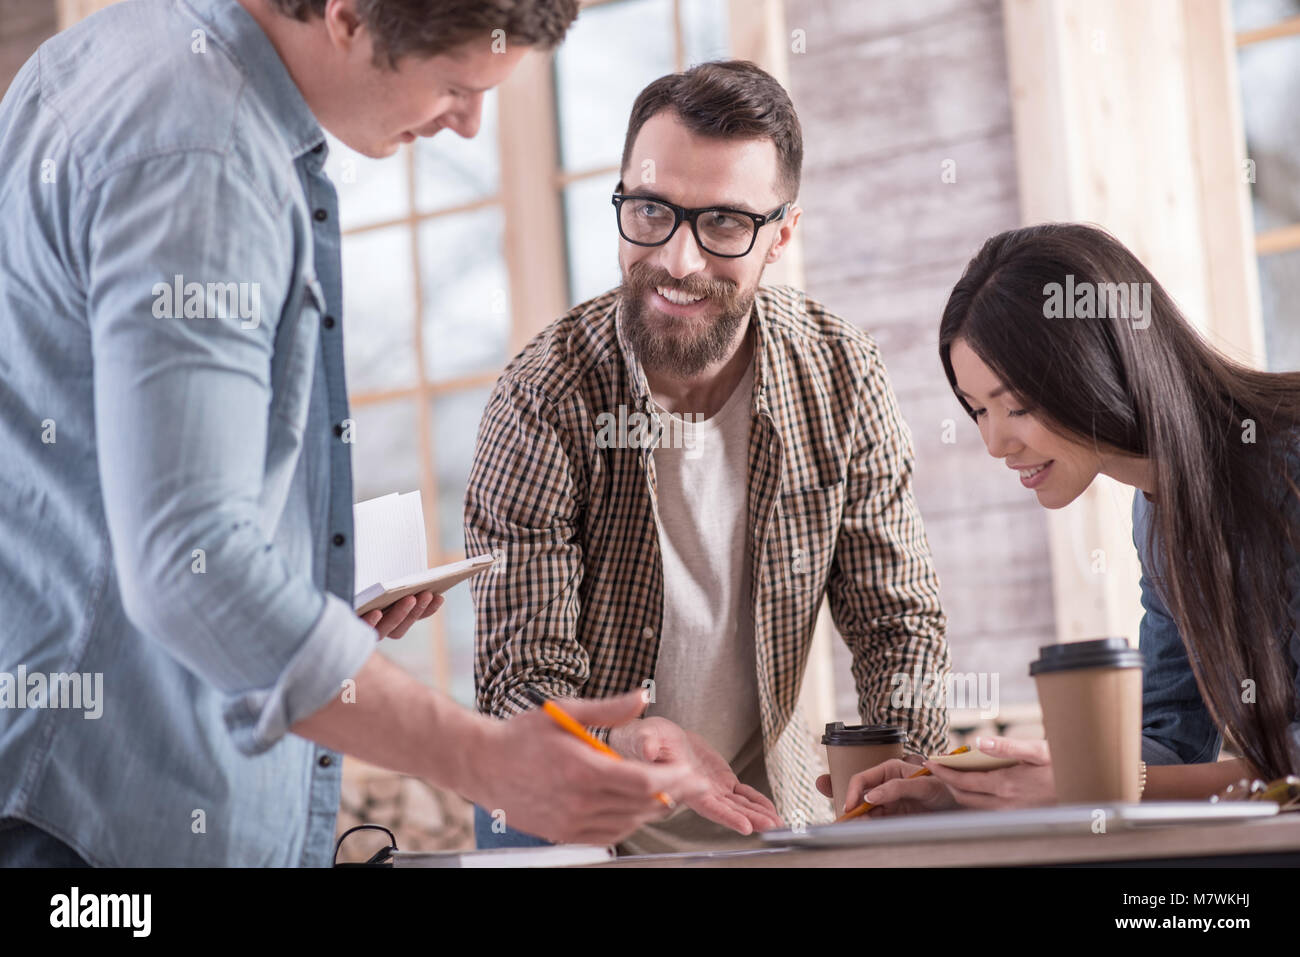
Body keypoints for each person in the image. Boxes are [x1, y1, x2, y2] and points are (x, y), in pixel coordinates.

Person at [0, 0, 706, 867]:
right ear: (346, 15)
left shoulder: (107, 60)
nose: (468, 122)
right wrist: (485, 761)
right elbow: (192, 561)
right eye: (454, 85)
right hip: (102, 830)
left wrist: (308, 595)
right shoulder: (205, 154)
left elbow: (91, 493)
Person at [464, 59, 952, 853]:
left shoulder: (839, 374)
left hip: (764, 821)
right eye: (652, 211)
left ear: (782, 235)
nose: (679, 261)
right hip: (569, 822)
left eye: (724, 223)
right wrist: (629, 745)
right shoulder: (543, 396)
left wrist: (912, 770)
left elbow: (897, 620)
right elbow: (522, 684)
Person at [840, 222, 1300, 817]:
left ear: (1099, 361)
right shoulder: (1158, 520)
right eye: (978, 410)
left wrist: (1101, 783)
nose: (995, 444)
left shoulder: (1288, 465)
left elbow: (1141, 776)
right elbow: (1170, 740)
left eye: (1018, 406)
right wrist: (974, 784)